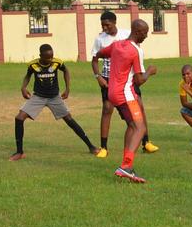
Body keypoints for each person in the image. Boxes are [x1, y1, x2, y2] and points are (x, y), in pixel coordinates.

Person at [92, 19, 157, 182]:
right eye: (145, 33)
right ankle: (126, 166)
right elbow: (139, 80)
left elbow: (97, 55)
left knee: (132, 126)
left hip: (111, 93)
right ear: (137, 32)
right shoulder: (136, 51)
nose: (146, 36)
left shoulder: (117, 44)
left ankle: (126, 164)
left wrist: (98, 75)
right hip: (125, 93)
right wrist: (150, 71)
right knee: (140, 128)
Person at [10, 44, 98, 160]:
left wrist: (67, 89)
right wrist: (23, 87)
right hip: (38, 97)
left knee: (69, 119)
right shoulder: (33, 65)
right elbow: (28, 76)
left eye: (51, 57)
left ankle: (91, 146)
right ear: (40, 56)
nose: (50, 60)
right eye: (47, 58)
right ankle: (19, 152)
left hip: (54, 97)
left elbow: (66, 71)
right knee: (19, 118)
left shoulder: (57, 63)